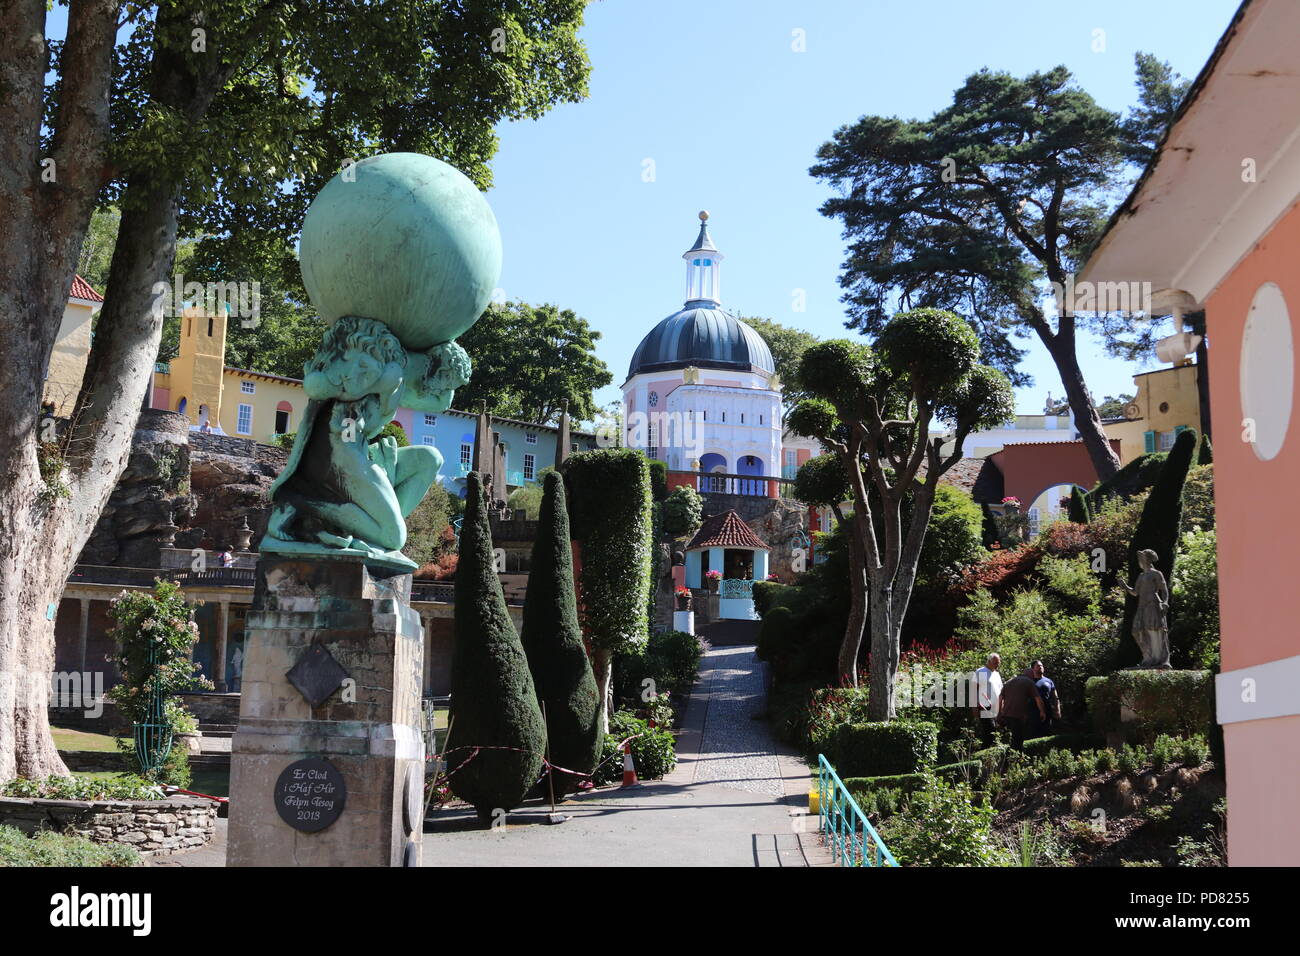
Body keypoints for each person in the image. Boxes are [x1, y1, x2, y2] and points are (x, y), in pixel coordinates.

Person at [1122, 548, 1172, 668]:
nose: (1140, 560)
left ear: (1147, 559)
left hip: (1153, 604)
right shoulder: (1141, 575)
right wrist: (1124, 586)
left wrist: (1165, 602)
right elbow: (1135, 592)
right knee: (1137, 630)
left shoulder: (1156, 573)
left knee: (1154, 629)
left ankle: (1160, 659)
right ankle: (1148, 657)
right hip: (1142, 606)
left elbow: (1164, 590)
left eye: (1142, 557)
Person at [998, 667, 1047, 750]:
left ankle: (1008, 757)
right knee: (1018, 740)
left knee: (1009, 738)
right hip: (1018, 716)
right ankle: (1016, 759)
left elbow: (1000, 697)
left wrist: (999, 712)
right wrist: (1042, 712)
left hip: (1006, 715)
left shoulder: (1009, 681)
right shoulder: (1029, 682)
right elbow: (1038, 699)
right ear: (1031, 675)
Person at [969, 653, 1003, 746]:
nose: (997, 664)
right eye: (995, 662)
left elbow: (1000, 691)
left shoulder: (997, 674)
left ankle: (990, 753)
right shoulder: (980, 672)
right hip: (984, 706)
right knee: (990, 730)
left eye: (998, 662)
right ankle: (985, 753)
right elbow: (973, 690)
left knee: (995, 731)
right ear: (989, 661)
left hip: (996, 708)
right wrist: (974, 707)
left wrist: (1002, 707)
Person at [1027, 660, 1060, 739]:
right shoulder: (1029, 682)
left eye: (1041, 666)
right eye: (1038, 666)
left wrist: (1057, 710)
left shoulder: (1049, 681)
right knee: (1034, 734)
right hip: (1033, 712)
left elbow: (1055, 697)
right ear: (1033, 669)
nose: (1041, 667)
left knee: (1047, 733)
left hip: (1047, 710)